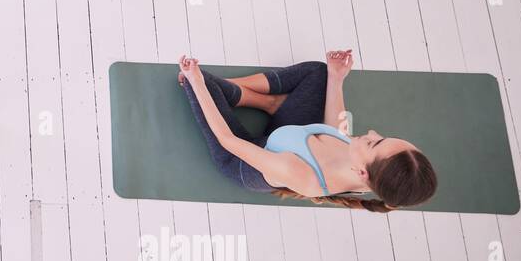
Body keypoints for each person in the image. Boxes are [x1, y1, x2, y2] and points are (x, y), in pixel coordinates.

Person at [177, 50, 438, 211]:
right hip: (288, 136)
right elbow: (334, 131)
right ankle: (249, 97)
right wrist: (336, 79)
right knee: (320, 73)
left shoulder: (306, 177)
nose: (372, 132)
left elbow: (228, 140)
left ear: (361, 172)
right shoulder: (370, 174)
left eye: (373, 143)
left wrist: (198, 83)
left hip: (240, 158)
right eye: (380, 138)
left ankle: (236, 93)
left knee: (199, 85)